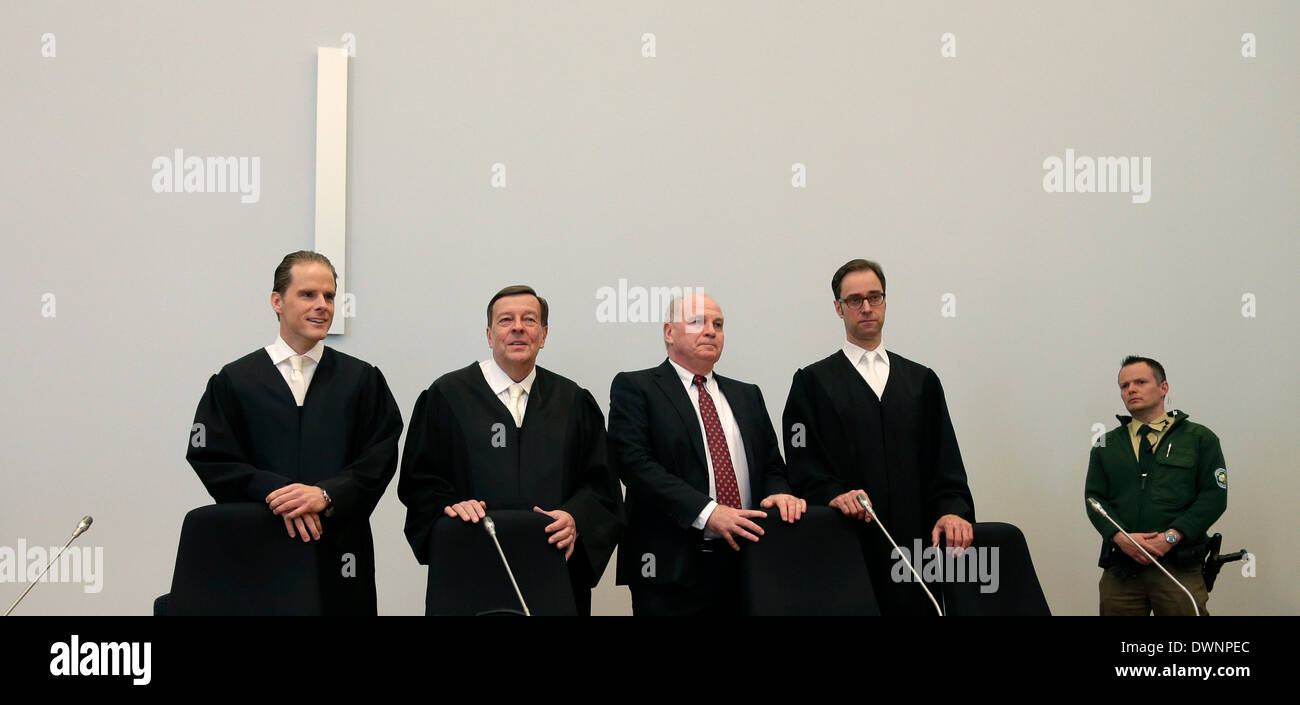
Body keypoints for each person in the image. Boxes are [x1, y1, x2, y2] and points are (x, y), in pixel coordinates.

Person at [186, 250, 403, 615]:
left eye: (329, 296)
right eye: (308, 295)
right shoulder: (235, 381)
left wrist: (326, 494)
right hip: (261, 547)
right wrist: (277, 493)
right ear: (277, 301)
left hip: (340, 554)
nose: (322, 305)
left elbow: (380, 455)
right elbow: (210, 455)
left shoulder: (361, 380)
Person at [397, 285, 623, 615]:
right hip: (469, 567)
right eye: (506, 320)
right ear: (490, 335)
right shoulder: (447, 397)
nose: (518, 327)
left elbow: (600, 486)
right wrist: (451, 506)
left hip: (553, 571)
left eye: (529, 319)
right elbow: (420, 483)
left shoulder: (572, 401)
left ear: (543, 335)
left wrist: (576, 518)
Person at [783, 258, 975, 615]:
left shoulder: (922, 381)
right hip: (846, 548)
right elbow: (802, 461)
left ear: (886, 302)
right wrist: (834, 494)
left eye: (875, 297)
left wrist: (952, 511)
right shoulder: (812, 383)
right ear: (838, 308)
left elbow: (945, 462)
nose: (866, 307)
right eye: (855, 300)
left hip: (917, 554)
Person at [608, 293, 806, 616]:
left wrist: (780, 494)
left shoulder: (748, 394)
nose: (711, 331)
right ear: (669, 332)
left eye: (718, 324)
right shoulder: (636, 387)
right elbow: (636, 466)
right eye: (698, 322)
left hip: (749, 564)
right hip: (671, 570)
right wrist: (708, 512)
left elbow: (771, 464)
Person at [1084, 356, 1227, 616]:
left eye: (1140, 382)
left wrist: (1170, 537)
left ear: (1164, 388)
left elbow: (1213, 497)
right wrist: (1119, 537)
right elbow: (1094, 499)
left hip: (1178, 567)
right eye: (1124, 385)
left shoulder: (1199, 439)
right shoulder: (1106, 445)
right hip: (1122, 571)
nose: (1131, 390)